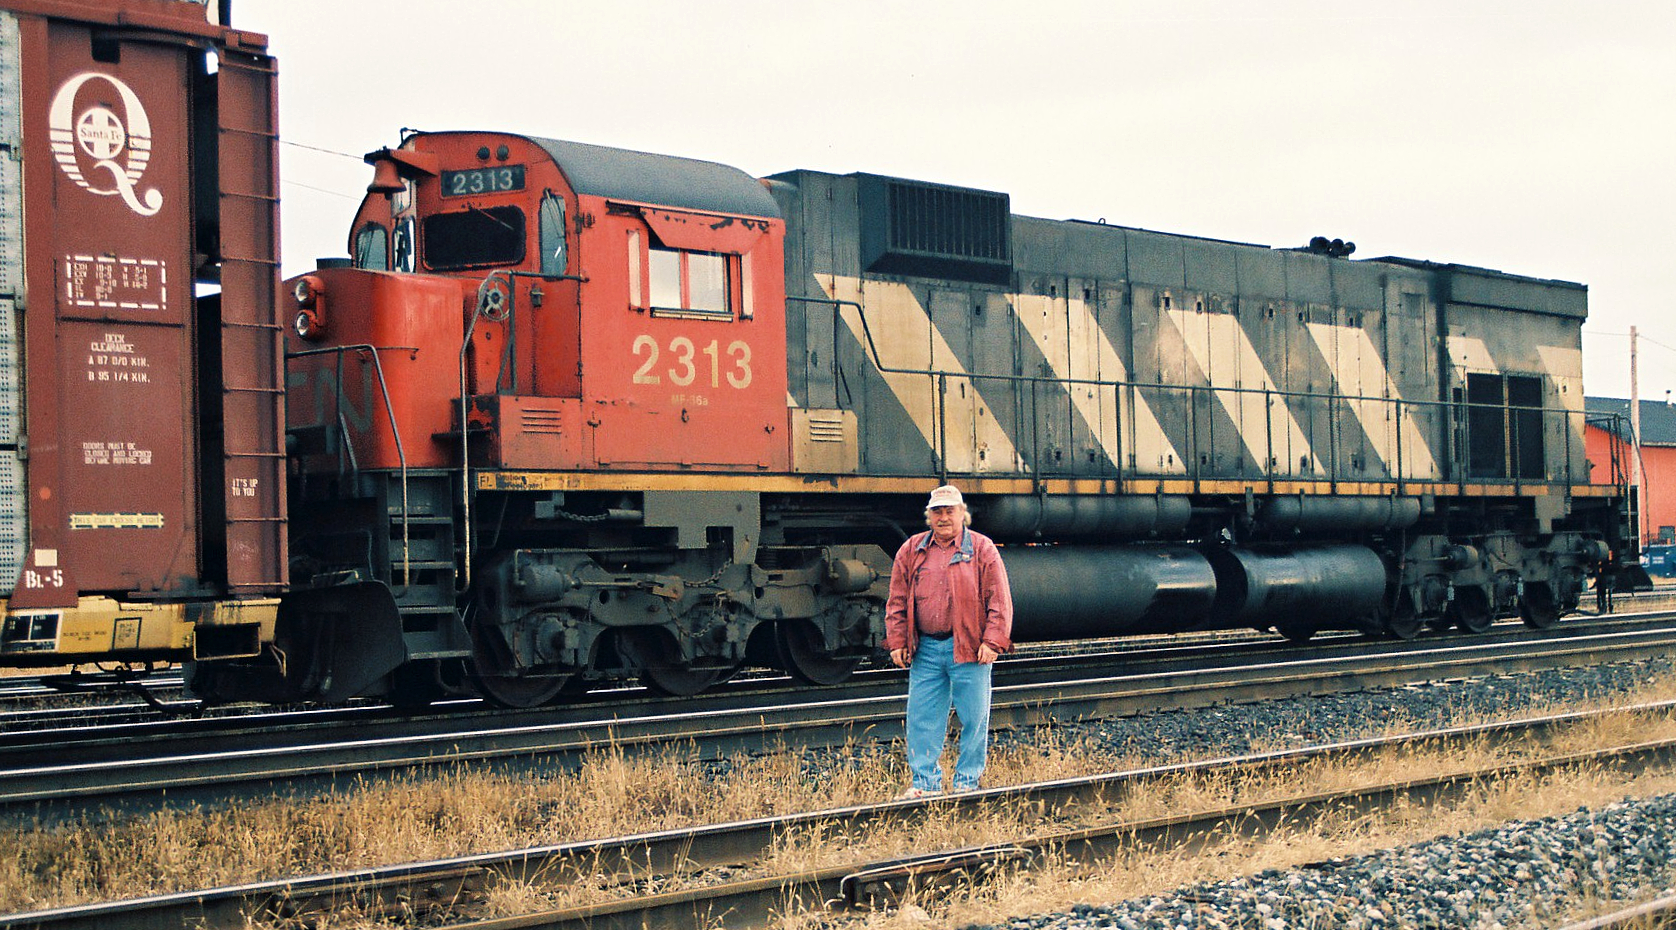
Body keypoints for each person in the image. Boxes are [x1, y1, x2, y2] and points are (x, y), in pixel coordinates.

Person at [884, 484, 1013, 798]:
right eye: (937, 512)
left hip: (970, 647)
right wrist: (897, 640)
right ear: (928, 516)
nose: (943, 517)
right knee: (922, 719)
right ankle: (924, 785)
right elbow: (897, 599)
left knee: (974, 718)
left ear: (962, 514)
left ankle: (967, 783)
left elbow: (999, 599)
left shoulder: (982, 549)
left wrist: (993, 641)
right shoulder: (911, 550)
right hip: (926, 649)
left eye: (949, 511)